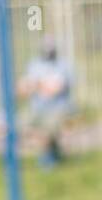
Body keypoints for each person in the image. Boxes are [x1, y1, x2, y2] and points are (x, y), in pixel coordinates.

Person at [18, 38, 75, 168]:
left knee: (48, 128)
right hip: (36, 108)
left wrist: (36, 85)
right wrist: (40, 85)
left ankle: (48, 158)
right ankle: (51, 151)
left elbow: (55, 89)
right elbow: (22, 89)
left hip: (58, 108)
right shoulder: (34, 65)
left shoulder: (63, 65)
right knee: (18, 125)